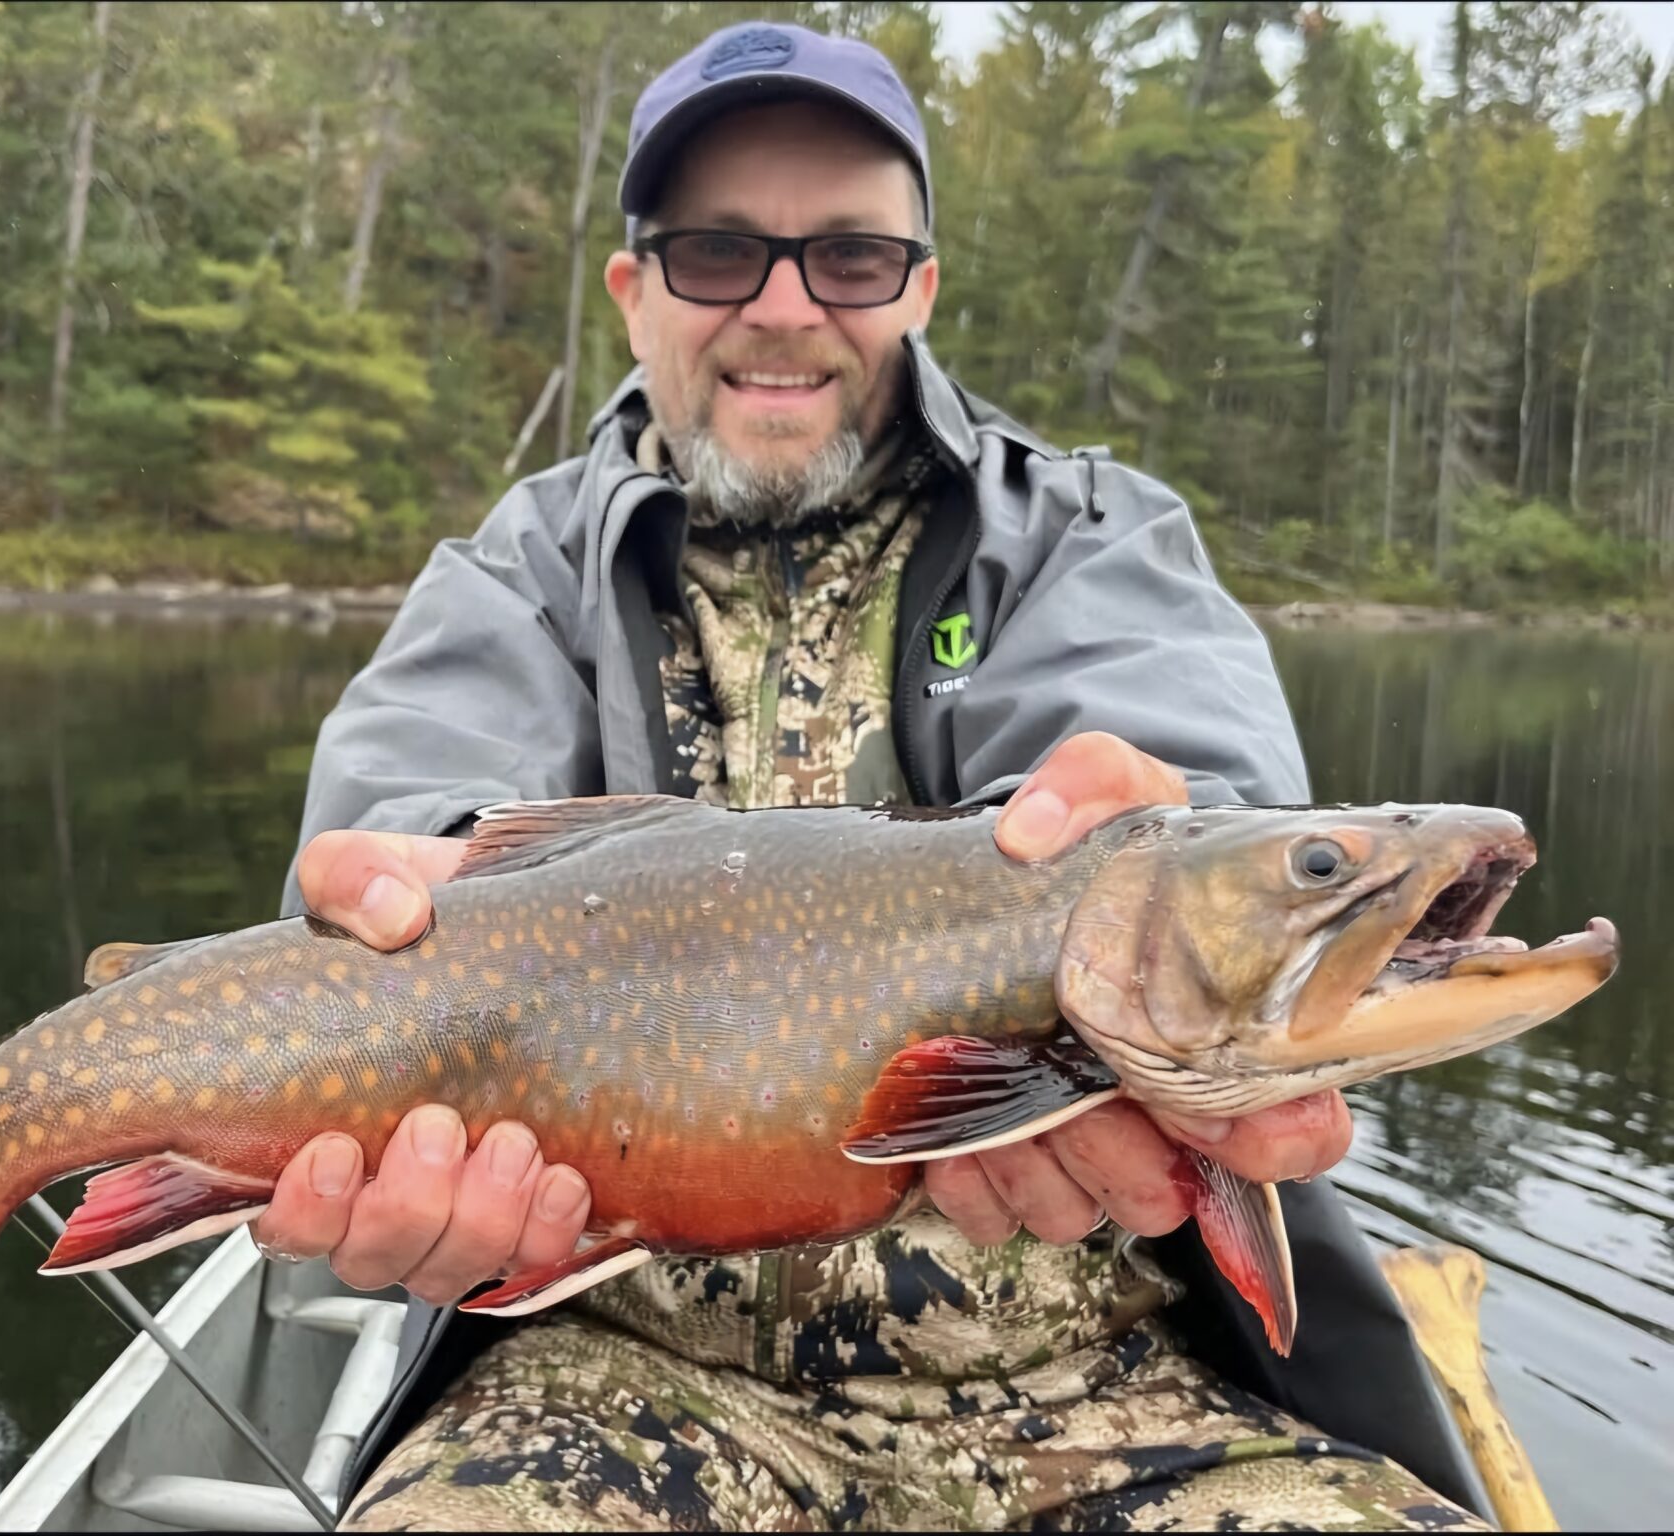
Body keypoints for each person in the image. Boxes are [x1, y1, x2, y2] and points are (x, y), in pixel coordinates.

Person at [257, 21, 1494, 1532]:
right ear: (634, 288)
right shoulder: (511, 577)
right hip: (606, 1373)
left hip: (1111, 1383)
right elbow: (403, 828)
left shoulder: (1091, 534)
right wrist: (412, 911)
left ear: (917, 284)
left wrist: (1157, 813)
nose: (783, 309)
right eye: (719, 253)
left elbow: (1205, 789)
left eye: (847, 257)